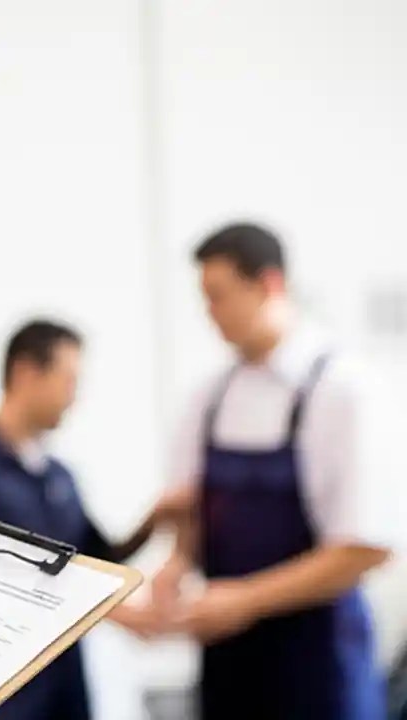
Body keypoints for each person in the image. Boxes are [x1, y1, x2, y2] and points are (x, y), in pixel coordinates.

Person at [150, 222, 393, 719]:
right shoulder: (210, 398)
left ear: (269, 285)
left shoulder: (344, 390)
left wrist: (245, 601)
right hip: (227, 665)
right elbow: (191, 508)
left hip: (319, 666)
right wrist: (178, 560)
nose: (209, 315)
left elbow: (365, 548)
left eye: (218, 296)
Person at [0, 319, 185, 720]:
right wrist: (118, 615)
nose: (74, 397)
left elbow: (94, 559)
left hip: (62, 687)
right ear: (27, 373)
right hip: (2, 694)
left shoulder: (58, 476)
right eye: (69, 381)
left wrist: (155, 520)